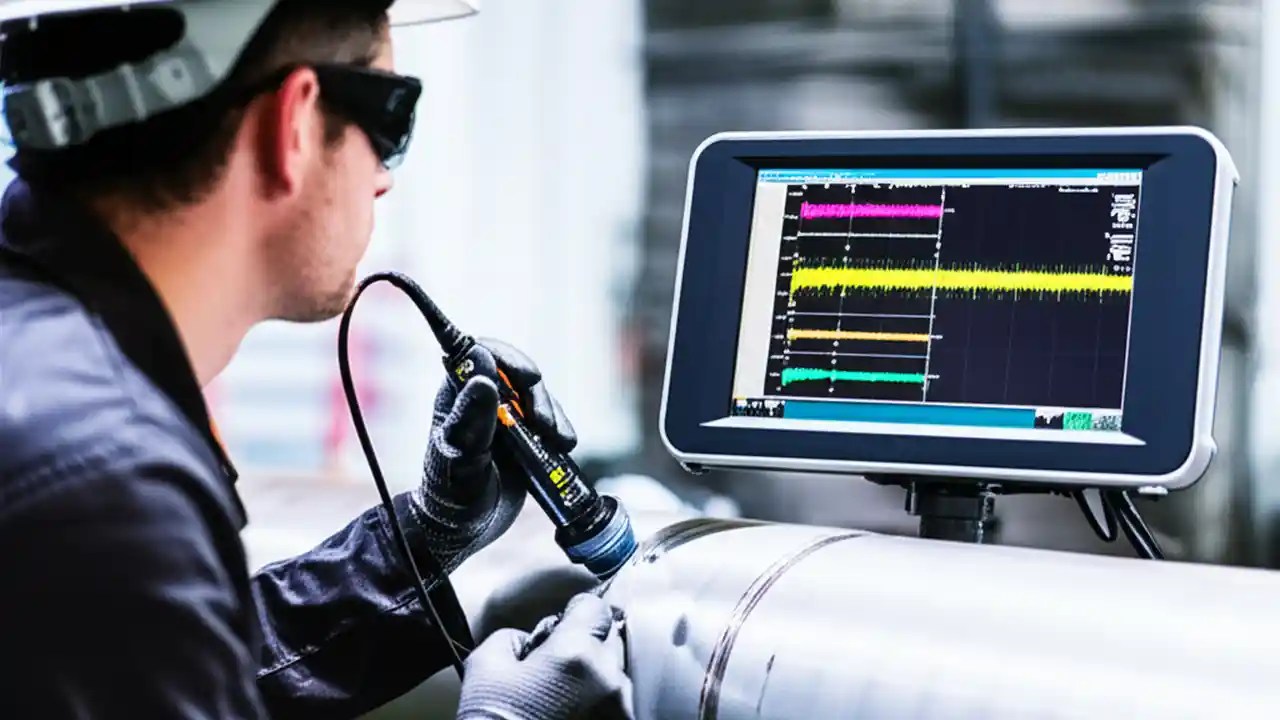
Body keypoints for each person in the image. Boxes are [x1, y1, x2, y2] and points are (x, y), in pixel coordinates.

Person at [0, 1, 633, 718]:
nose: (385, 177)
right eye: (392, 119)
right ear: (294, 123)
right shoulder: (103, 478)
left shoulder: (48, 388)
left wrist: (425, 536)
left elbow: (152, 673)